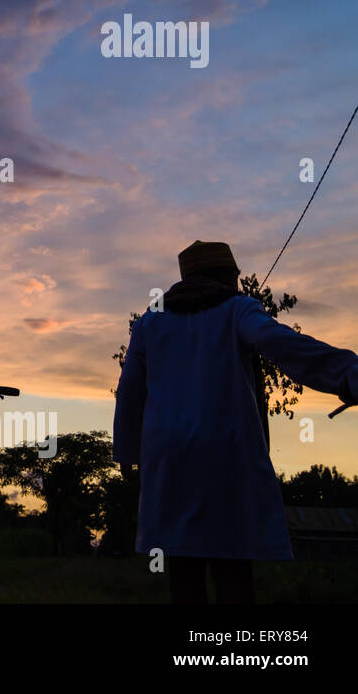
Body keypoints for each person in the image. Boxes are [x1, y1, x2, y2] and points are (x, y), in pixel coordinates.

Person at [113, 240, 358, 604]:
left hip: (169, 459)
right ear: (227, 277)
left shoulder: (151, 322)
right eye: (236, 278)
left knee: (182, 568)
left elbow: (129, 393)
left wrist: (128, 456)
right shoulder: (238, 309)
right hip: (224, 453)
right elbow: (283, 344)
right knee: (232, 566)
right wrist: (349, 374)